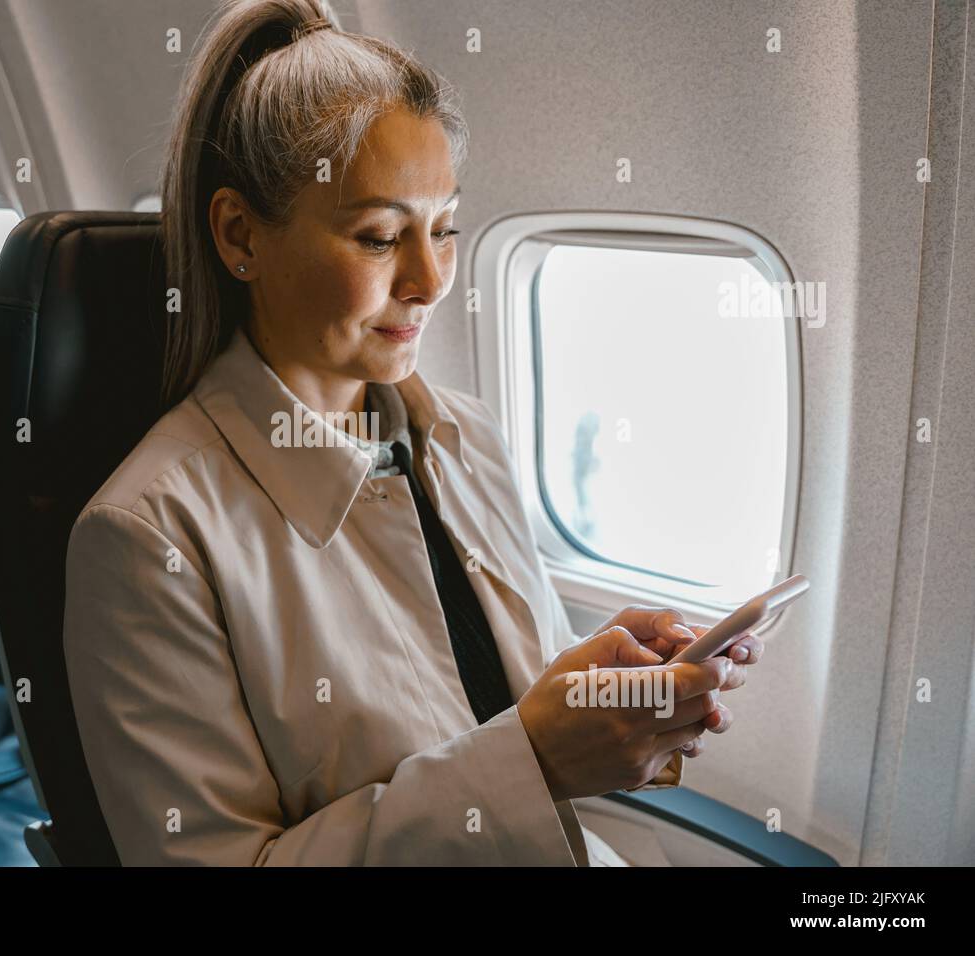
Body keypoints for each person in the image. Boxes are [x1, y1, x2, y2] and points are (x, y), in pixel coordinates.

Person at [62, 0, 760, 866]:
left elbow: (491, 709)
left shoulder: (465, 438)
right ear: (241, 236)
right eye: (380, 236)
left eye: (445, 229)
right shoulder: (148, 537)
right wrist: (535, 758)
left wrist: (609, 691)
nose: (430, 280)